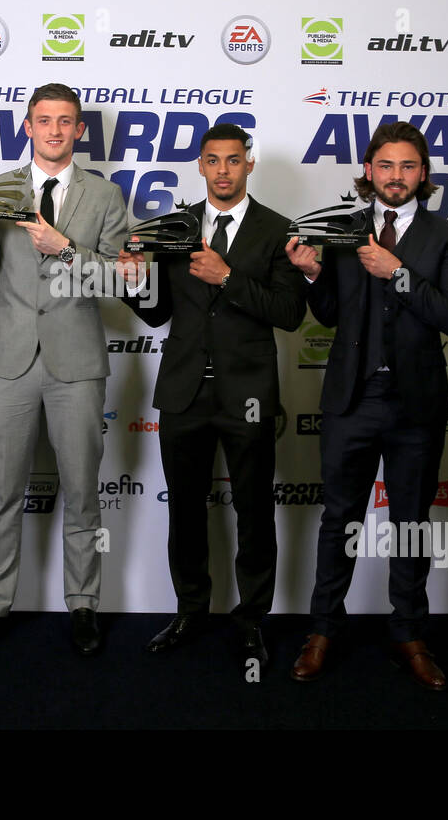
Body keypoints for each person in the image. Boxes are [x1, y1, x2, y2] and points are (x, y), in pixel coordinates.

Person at [285, 121, 448, 688]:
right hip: (351, 401)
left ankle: (409, 633)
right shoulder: (343, 229)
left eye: (408, 167)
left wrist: (401, 275)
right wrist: (314, 272)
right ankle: (322, 630)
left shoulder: (446, 235)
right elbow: (331, 311)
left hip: (416, 405)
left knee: (411, 523)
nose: (396, 177)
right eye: (386, 166)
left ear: (424, 174)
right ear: (369, 171)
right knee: (340, 517)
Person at [119, 123, 305, 667]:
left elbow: (290, 313)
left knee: (252, 510)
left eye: (232, 160)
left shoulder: (278, 229)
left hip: (248, 393)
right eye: (212, 160)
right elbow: (156, 314)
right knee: (185, 510)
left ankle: (252, 618)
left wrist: (228, 278)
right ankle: (190, 609)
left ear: (249, 165)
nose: (222, 170)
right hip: (182, 393)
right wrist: (135, 282)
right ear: (200, 166)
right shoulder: (174, 228)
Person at [0, 83, 127, 656]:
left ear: (80, 130)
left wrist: (64, 247)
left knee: (81, 494)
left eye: (66, 121)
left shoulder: (104, 195)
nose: (55, 130)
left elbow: (120, 280)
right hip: (7, 361)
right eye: (44, 120)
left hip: (76, 362)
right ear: (27, 126)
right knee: (1, 491)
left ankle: (83, 607)